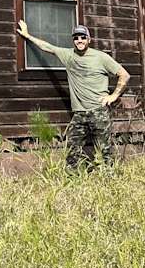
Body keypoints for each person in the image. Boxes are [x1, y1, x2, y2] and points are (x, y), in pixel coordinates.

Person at [17, 20, 130, 168]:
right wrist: (27, 35)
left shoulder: (101, 57)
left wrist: (113, 96)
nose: (79, 40)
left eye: (83, 37)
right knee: (72, 149)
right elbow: (47, 47)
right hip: (79, 114)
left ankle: (108, 180)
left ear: (89, 39)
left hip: (98, 111)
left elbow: (124, 75)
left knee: (105, 151)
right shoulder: (68, 55)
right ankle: (73, 179)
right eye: (76, 38)